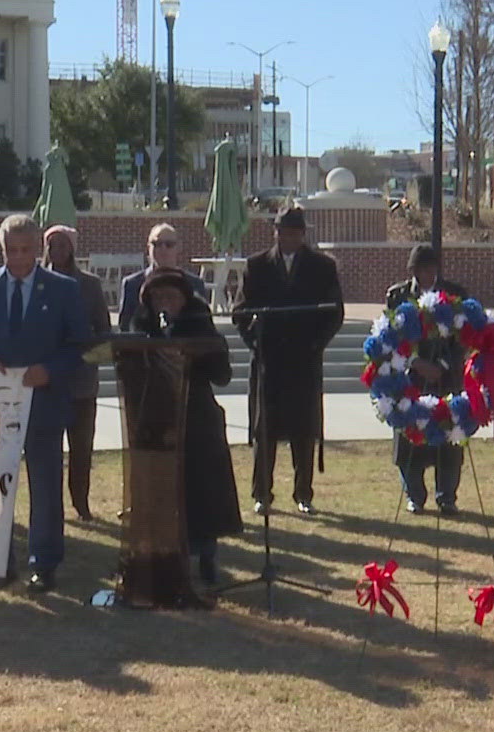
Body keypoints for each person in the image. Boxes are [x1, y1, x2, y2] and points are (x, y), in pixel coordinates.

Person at [0, 214, 92, 592]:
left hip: (44, 402)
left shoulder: (62, 289)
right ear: (2, 249)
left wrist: (50, 370)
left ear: (38, 249)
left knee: (46, 487)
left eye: (25, 250)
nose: (18, 258)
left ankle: (43, 564)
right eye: (11, 250)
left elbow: (79, 343)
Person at [131, 268, 241, 589]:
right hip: (156, 418)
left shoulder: (200, 326)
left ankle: (206, 556)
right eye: (158, 298)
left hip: (198, 420)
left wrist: (195, 347)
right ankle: (161, 556)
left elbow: (222, 374)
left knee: (202, 491)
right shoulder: (140, 329)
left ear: (184, 299)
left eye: (171, 297)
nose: (165, 303)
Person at [233, 205, 344, 515]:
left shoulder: (322, 266)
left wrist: (315, 346)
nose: (288, 239)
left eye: (294, 233)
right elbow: (240, 312)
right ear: (275, 233)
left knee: (303, 430)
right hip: (269, 361)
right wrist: (255, 344)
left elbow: (335, 312)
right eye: (282, 232)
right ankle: (261, 493)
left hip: (304, 361)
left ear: (303, 234)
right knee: (264, 430)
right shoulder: (257, 266)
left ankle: (303, 494)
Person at [385, 245, 467, 515]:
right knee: (409, 436)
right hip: (410, 378)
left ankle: (447, 495)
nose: (428, 275)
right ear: (413, 271)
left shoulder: (455, 295)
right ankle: (414, 495)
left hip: (446, 377)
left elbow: (463, 338)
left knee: (448, 435)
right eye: (422, 270)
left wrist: (442, 366)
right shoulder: (398, 297)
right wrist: (415, 363)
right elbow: (390, 338)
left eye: (432, 269)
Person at [43, 225, 113, 520]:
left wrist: (87, 359)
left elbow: (104, 332)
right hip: (47, 380)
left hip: (82, 382)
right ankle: (51, 506)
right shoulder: (37, 282)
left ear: (72, 248)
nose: (56, 250)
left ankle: (81, 501)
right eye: (51, 245)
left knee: (82, 447)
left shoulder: (89, 285)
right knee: (48, 450)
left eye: (62, 245)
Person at [119, 222, 208, 329]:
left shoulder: (194, 284)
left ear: (178, 248)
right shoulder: (132, 284)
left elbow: (204, 328)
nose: (163, 249)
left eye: (169, 244)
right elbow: (124, 328)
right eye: (156, 244)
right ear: (148, 247)